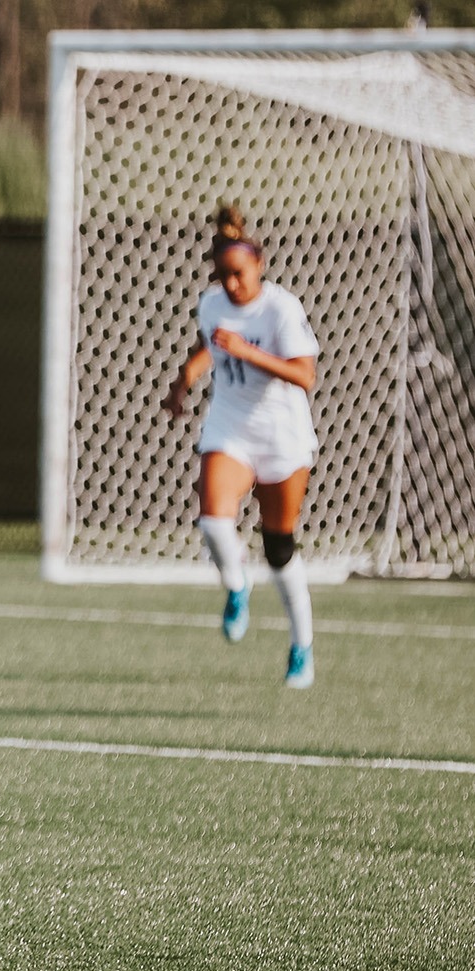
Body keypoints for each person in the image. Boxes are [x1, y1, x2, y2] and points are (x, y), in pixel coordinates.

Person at [163, 203, 320, 688]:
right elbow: (213, 341)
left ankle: (302, 646)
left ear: (259, 264)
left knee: (279, 548)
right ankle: (236, 583)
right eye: (222, 276)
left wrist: (250, 351)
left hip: (281, 433)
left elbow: (304, 376)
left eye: (238, 275)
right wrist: (186, 377)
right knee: (212, 519)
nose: (231, 285)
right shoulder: (210, 303)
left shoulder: (281, 308)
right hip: (231, 424)